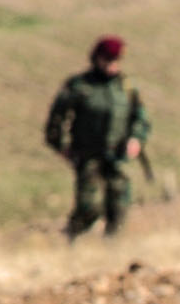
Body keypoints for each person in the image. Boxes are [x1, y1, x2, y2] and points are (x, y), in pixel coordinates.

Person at [44, 36, 151, 239]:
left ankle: (112, 252)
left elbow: (141, 118)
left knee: (119, 205)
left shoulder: (126, 87)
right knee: (89, 205)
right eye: (108, 60)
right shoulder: (80, 86)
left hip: (117, 156)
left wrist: (136, 139)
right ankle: (72, 239)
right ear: (97, 59)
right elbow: (56, 120)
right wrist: (61, 146)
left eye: (116, 61)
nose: (112, 66)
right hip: (87, 155)